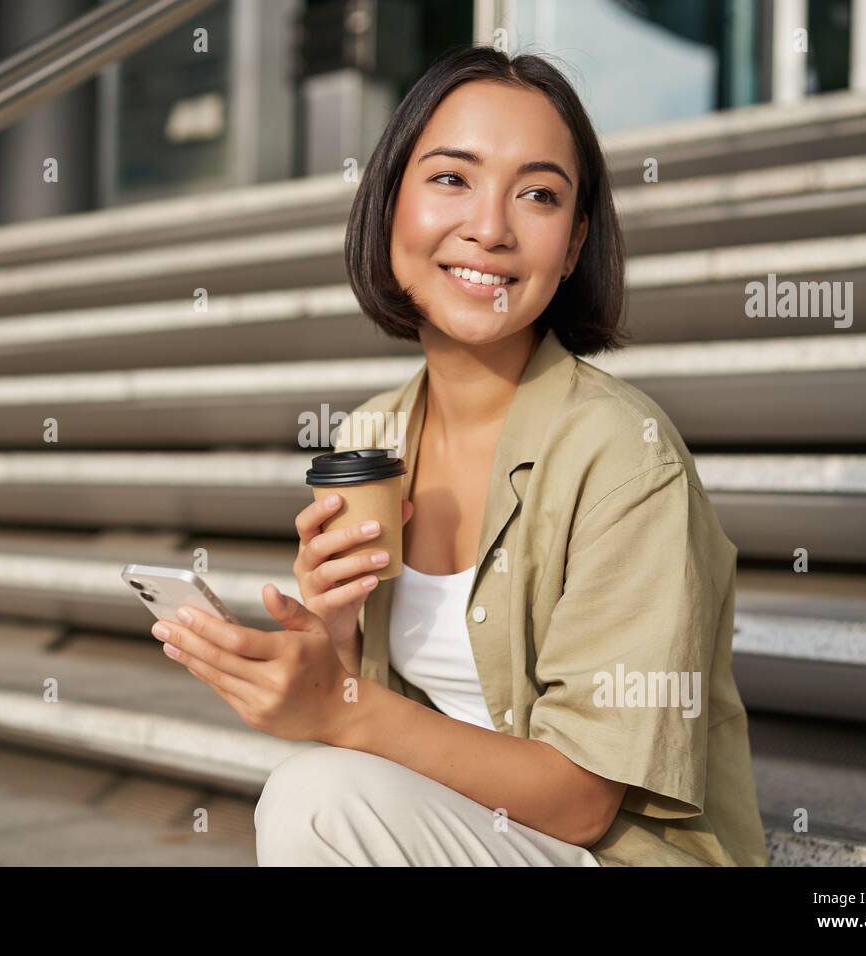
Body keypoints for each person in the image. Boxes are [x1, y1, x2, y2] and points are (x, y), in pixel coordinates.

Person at [150, 45, 769, 866]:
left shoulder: (623, 457)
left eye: (538, 195)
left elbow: (583, 802)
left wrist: (337, 704)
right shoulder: (372, 438)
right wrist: (332, 634)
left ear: (576, 241)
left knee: (315, 801)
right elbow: (381, 731)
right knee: (322, 789)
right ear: (391, 201)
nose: (490, 227)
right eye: (451, 179)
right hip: (469, 831)